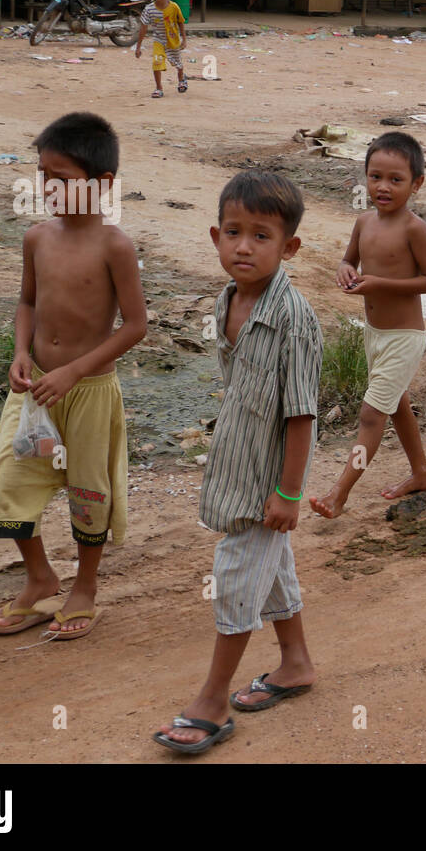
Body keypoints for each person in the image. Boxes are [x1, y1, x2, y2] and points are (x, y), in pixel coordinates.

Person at [154, 171, 322, 754]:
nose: (244, 246)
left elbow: (302, 415)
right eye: (233, 232)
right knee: (269, 570)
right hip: (239, 463)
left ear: (289, 246)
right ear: (214, 236)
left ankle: (212, 699)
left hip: (269, 480)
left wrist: (290, 493)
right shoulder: (230, 299)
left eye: (261, 235)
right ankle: (295, 662)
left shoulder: (294, 319)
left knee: (233, 579)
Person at [0, 112, 146, 640]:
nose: (48, 187)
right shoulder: (37, 238)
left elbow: (136, 326)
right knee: (10, 482)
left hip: (89, 391)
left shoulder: (114, 246)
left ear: (103, 185)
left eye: (62, 178)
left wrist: (75, 372)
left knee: (87, 492)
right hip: (36, 390)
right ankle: (38, 578)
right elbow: (27, 301)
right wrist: (20, 353)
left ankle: (85, 589)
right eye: (42, 175)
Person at [309, 132, 426, 519]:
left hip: (404, 337)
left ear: (416, 183)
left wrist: (379, 283)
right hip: (375, 334)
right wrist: (345, 269)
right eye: (375, 177)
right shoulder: (364, 221)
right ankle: (421, 472)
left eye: (396, 180)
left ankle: (339, 493)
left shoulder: (414, 229)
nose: (383, 187)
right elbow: (346, 260)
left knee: (372, 414)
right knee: (397, 405)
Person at [134, 0, 186, 98]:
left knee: (177, 63)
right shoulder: (149, 9)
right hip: (159, 40)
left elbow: (180, 22)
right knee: (156, 62)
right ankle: (159, 88)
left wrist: (184, 39)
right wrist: (138, 47)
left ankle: (182, 79)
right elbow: (143, 27)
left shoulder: (174, 7)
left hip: (173, 40)